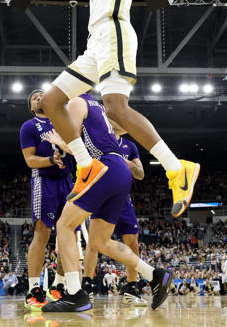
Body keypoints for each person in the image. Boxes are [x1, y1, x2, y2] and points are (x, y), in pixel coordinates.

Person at [39, 0, 199, 218]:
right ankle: (86, 166)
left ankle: (176, 168)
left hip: (115, 33)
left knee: (115, 108)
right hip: (94, 44)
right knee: (51, 101)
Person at [39, 93, 173, 312]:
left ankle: (74, 294)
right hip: (120, 170)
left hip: (104, 167)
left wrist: (58, 142)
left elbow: (73, 143)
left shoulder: (77, 102)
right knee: (101, 242)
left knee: (64, 225)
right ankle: (154, 274)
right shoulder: (97, 106)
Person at [20, 89, 73, 308]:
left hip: (67, 181)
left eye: (42, 94)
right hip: (44, 180)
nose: (39, 97)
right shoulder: (29, 126)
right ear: (31, 107)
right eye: (34, 97)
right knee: (42, 233)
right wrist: (52, 159)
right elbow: (30, 160)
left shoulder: (63, 121)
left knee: (68, 235)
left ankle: (59, 286)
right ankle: (34, 288)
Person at [78, 130, 145, 305]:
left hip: (122, 197)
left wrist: (130, 165)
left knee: (132, 242)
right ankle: (87, 285)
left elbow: (141, 174)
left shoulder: (129, 146)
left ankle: (132, 287)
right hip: (100, 194)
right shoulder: (96, 138)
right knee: (93, 243)